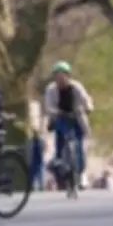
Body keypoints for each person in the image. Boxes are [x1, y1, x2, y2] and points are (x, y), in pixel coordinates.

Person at [44, 61, 94, 189]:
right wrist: (55, 112)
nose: (60, 79)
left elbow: (86, 99)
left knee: (78, 146)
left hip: (76, 117)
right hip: (61, 117)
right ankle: (60, 168)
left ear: (68, 76)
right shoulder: (51, 89)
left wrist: (88, 107)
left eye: (63, 76)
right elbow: (49, 106)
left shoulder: (76, 87)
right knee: (60, 145)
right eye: (57, 76)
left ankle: (80, 174)